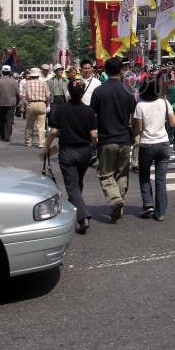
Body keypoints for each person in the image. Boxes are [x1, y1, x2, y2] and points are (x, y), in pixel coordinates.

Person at [45, 79, 97, 234]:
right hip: (84, 151)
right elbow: (93, 134)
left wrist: (47, 147)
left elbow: (53, 132)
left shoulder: (60, 110)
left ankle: (83, 215)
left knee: (72, 185)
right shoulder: (88, 111)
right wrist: (93, 146)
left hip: (67, 151)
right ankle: (78, 209)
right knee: (78, 182)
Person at [90, 57, 137, 221]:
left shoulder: (99, 91)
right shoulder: (128, 91)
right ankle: (120, 202)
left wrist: (93, 137)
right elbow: (134, 115)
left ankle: (115, 200)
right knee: (122, 173)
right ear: (121, 70)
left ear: (105, 71)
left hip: (106, 138)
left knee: (106, 173)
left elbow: (92, 116)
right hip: (124, 137)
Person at [133, 73, 175, 221]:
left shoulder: (140, 106)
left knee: (144, 175)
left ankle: (148, 204)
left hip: (147, 144)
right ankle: (160, 212)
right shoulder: (164, 103)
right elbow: (173, 123)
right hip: (163, 143)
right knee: (161, 179)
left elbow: (139, 129)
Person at [21, 67, 50, 148]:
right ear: (38, 75)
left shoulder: (26, 83)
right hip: (41, 103)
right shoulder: (43, 83)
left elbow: (23, 97)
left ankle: (28, 142)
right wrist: (47, 105)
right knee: (41, 125)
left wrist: (22, 106)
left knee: (29, 124)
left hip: (31, 104)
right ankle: (41, 142)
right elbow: (47, 96)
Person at [0, 66, 20, 142]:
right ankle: (8, 135)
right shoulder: (14, 81)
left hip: (1, 103)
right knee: (9, 119)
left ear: (2, 72)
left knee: (1, 119)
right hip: (11, 103)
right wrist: (18, 102)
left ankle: (2, 135)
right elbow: (18, 93)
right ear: (10, 72)